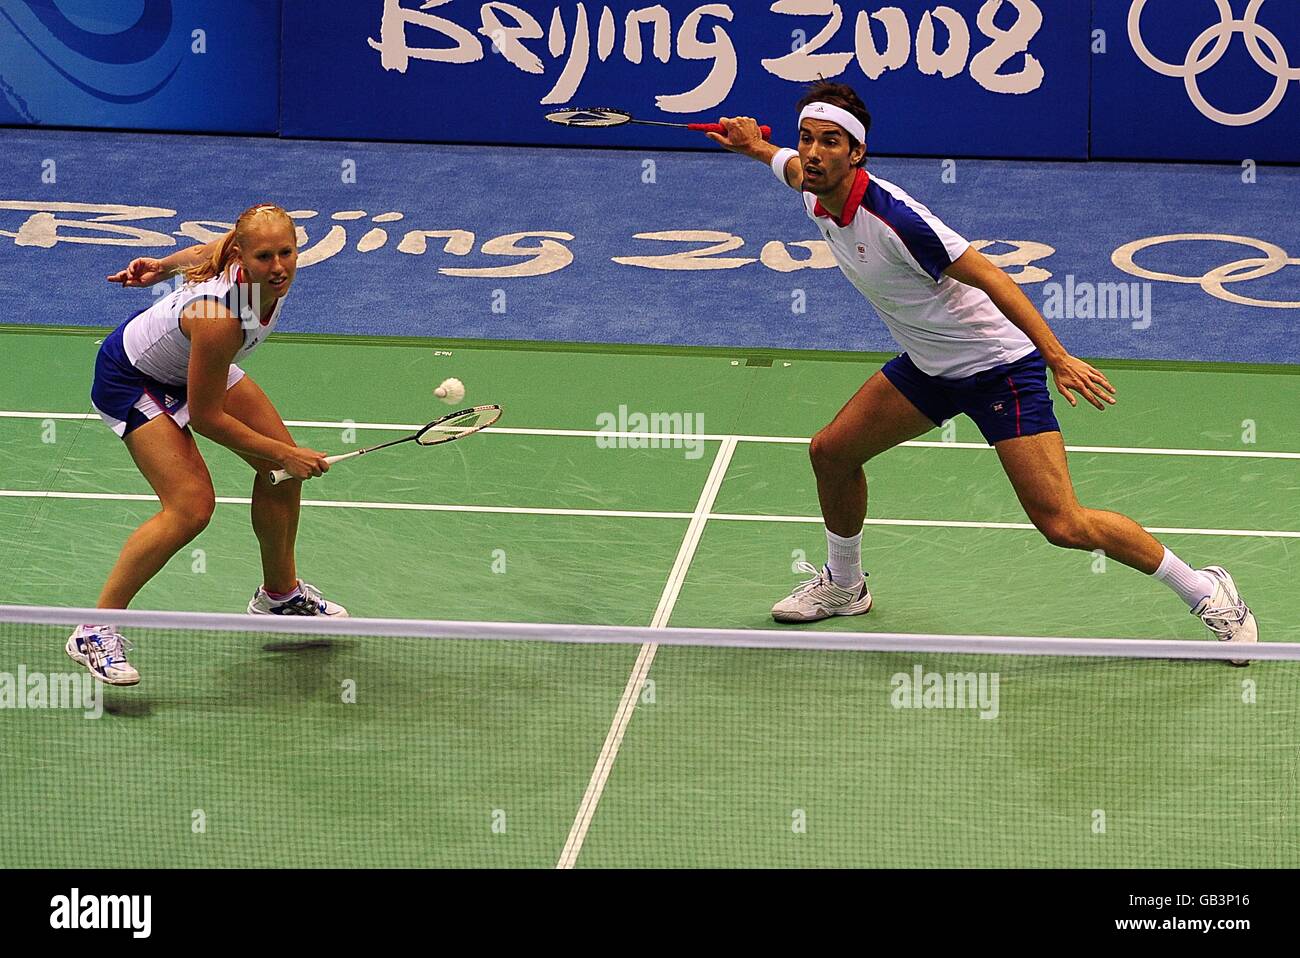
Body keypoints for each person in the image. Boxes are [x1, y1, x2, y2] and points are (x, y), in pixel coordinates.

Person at [707, 82, 1256, 659]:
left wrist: (1057, 356)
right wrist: (752, 146)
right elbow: (788, 167)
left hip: (998, 369)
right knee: (831, 453)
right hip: (928, 367)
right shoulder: (813, 188)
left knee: (1063, 523)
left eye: (830, 142)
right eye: (807, 140)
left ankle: (1210, 592)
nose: (813, 153)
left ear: (857, 153)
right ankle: (845, 586)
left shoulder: (895, 219)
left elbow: (993, 277)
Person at [69, 204, 348, 687]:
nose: (279, 267)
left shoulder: (249, 265)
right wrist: (283, 453)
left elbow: (203, 249)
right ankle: (93, 630)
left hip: (189, 364)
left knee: (279, 479)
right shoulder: (219, 318)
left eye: (287, 252)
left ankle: (279, 597)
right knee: (191, 506)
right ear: (243, 255)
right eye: (265, 257)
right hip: (133, 377)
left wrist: (161, 265)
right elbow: (207, 417)